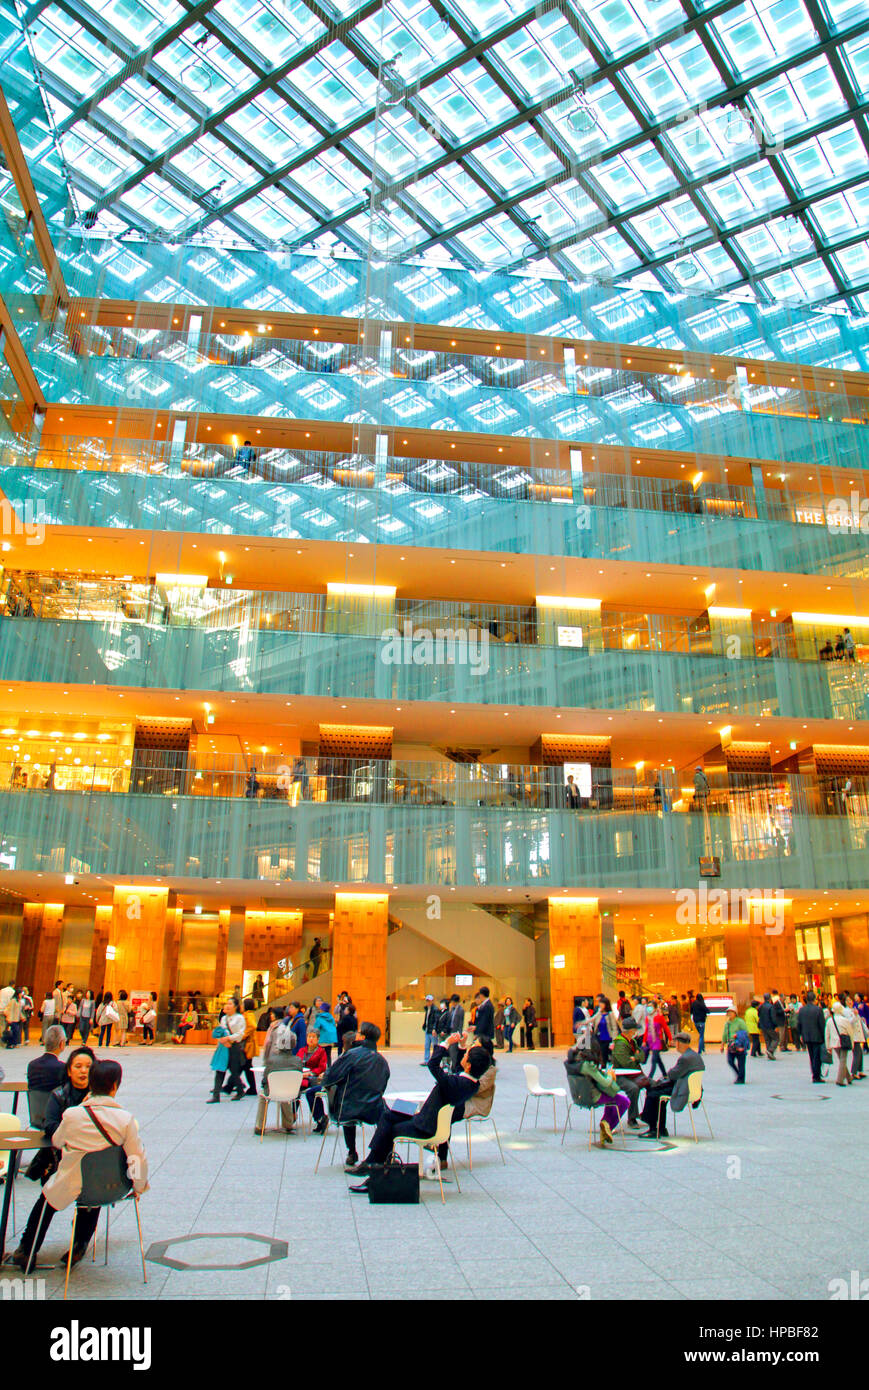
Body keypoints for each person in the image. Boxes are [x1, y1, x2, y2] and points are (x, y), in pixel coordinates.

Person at [13, 1058, 148, 1274]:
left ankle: (27, 1248)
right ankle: (80, 1244)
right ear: (115, 1085)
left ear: (91, 1084)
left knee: (47, 1199)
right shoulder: (125, 1119)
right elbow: (137, 1157)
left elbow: (57, 1141)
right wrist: (138, 1186)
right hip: (111, 1187)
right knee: (91, 1196)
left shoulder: (73, 1115)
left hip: (71, 1184)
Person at [348, 1034, 489, 1184]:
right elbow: (460, 1070)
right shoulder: (471, 1084)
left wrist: (446, 1043)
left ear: (469, 1065)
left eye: (466, 1054)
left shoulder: (455, 1083)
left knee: (389, 1125)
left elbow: (433, 1065)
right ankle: (372, 1164)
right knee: (391, 1111)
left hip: (424, 1125)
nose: (465, 1053)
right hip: (426, 1116)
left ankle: (373, 1169)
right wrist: (461, 1046)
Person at [13, 1046, 95, 1262]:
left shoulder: (99, 1097)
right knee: (47, 1199)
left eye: (88, 1067)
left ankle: (80, 1244)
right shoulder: (58, 1096)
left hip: (90, 1164)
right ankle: (27, 1247)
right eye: (78, 1066)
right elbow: (50, 1126)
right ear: (69, 1070)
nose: (83, 1071)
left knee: (91, 1199)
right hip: (62, 1162)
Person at [320, 1021, 390, 1171]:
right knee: (387, 1115)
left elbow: (331, 1077)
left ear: (363, 1036)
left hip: (348, 1108)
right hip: (374, 1110)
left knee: (346, 1099)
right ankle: (382, 1153)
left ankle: (352, 1151)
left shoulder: (351, 1055)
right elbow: (382, 1086)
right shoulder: (382, 1061)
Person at [638, 1032, 706, 1138]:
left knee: (652, 1093)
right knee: (658, 1094)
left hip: (683, 1089)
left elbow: (673, 1075)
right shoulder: (694, 1055)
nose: (675, 1045)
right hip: (690, 1087)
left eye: (676, 1042)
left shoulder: (685, 1058)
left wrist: (665, 1077)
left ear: (679, 1043)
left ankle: (652, 1128)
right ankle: (661, 1129)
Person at [565, 1042, 630, 1145]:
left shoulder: (572, 1063)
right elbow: (605, 1082)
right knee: (624, 1101)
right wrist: (610, 1075)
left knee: (611, 1098)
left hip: (578, 1097)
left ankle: (605, 1125)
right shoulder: (587, 1065)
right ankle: (607, 1125)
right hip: (592, 1097)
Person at [254, 1008, 304, 1133]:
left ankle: (260, 1126)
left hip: (274, 1091)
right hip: (291, 1092)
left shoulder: (272, 1061)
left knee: (264, 1095)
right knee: (285, 1092)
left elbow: (266, 1080)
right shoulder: (298, 1061)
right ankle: (288, 1123)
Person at [609, 1016, 649, 1126]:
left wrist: (635, 1057)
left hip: (634, 1073)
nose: (636, 1032)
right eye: (635, 1030)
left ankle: (647, 1113)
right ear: (631, 1031)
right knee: (633, 1088)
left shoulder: (632, 1041)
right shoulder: (620, 1044)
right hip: (620, 1075)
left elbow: (642, 1055)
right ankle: (632, 1117)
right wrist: (636, 1058)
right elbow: (626, 1063)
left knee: (652, 1084)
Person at [212, 997, 246, 1101]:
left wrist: (228, 1038)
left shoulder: (239, 1018)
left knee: (234, 1071)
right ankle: (216, 1096)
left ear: (235, 1006)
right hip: (224, 1047)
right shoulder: (223, 1018)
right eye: (227, 1003)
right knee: (220, 1070)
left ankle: (240, 1090)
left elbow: (240, 1034)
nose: (227, 1005)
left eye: (230, 1004)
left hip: (234, 1047)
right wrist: (223, 1040)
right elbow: (221, 1031)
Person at [299, 1026, 329, 1132]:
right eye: (309, 1036)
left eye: (313, 1037)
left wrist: (311, 1073)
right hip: (301, 1078)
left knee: (313, 1095)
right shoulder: (302, 1050)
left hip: (314, 1078)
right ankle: (291, 1115)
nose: (311, 1039)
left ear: (318, 1039)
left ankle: (320, 1118)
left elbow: (322, 1067)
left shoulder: (321, 1051)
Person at [27, 1025, 68, 1093]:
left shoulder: (32, 1065)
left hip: (35, 1103)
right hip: (54, 1103)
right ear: (61, 1044)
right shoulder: (62, 1067)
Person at [797, 990, 826, 1082]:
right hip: (817, 1036)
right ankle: (816, 1076)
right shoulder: (818, 1009)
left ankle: (814, 1073)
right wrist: (824, 1036)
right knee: (817, 1057)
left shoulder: (802, 1010)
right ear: (814, 999)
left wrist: (800, 1034)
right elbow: (822, 1024)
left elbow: (799, 1024)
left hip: (807, 1036)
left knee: (812, 1055)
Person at [826, 1001, 853, 1087]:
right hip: (844, 1042)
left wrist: (828, 1046)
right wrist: (852, 1043)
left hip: (834, 1043)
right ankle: (840, 1079)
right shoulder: (845, 1020)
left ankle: (848, 1077)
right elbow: (850, 1033)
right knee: (843, 1060)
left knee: (841, 1060)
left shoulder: (830, 1020)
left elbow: (827, 1034)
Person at [720, 1007, 749, 1084]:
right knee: (730, 1061)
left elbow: (746, 1032)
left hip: (739, 1044)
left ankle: (741, 1079)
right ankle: (739, 1074)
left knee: (741, 1063)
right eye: (728, 1012)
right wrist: (722, 1044)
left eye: (731, 1012)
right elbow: (725, 1034)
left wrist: (738, 1035)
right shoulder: (727, 1023)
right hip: (731, 1045)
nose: (729, 1014)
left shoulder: (740, 1022)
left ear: (735, 1013)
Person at [644, 1003, 671, 1079]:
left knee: (654, 1060)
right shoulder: (647, 1018)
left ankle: (650, 1077)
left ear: (655, 1008)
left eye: (651, 1007)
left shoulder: (659, 1017)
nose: (649, 1009)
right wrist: (644, 1041)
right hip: (650, 1041)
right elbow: (646, 1030)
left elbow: (666, 1028)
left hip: (657, 1040)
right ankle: (665, 1074)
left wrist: (670, 1039)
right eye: (648, 1007)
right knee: (658, 1059)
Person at [592, 994, 619, 1065]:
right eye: (599, 1003)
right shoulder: (599, 1014)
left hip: (608, 1038)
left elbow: (614, 1028)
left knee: (606, 1057)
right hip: (599, 1038)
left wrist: (614, 1040)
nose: (600, 1004)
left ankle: (607, 1071)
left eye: (602, 1003)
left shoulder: (610, 1014)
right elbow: (593, 1022)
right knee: (600, 1057)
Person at [240, 997, 260, 1094]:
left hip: (248, 1045)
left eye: (243, 1004)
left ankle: (231, 1085)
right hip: (248, 1044)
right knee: (246, 1066)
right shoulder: (247, 1015)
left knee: (244, 1065)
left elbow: (252, 1026)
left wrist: (243, 1035)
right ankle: (251, 1088)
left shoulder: (249, 1015)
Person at [313, 1000, 338, 1064]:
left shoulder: (320, 1017)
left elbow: (315, 1028)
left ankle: (322, 1068)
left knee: (320, 1055)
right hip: (330, 1039)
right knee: (328, 1055)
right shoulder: (331, 1017)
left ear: (322, 1009)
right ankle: (329, 1067)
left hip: (322, 1039)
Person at [757, 993, 779, 1059]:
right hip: (770, 1025)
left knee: (767, 1039)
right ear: (770, 998)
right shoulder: (771, 1007)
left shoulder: (760, 1006)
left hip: (763, 1025)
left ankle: (769, 1054)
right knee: (776, 1038)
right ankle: (770, 1050)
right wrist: (776, 1025)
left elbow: (759, 1015)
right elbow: (773, 1017)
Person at [447, 994, 465, 1071]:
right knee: (449, 1049)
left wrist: (459, 1033)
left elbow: (461, 1022)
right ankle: (451, 1065)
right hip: (450, 1030)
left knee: (453, 1050)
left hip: (455, 1031)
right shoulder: (451, 1009)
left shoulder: (461, 1010)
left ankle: (454, 1067)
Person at [421, 994, 439, 1065]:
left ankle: (434, 1061)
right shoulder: (427, 1009)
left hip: (432, 1031)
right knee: (427, 1045)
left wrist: (434, 1028)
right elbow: (427, 1019)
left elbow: (436, 1020)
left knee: (435, 1046)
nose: (428, 1002)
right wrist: (424, 1025)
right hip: (427, 1030)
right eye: (427, 1001)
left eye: (429, 1001)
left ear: (432, 1001)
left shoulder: (435, 1009)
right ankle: (426, 1060)